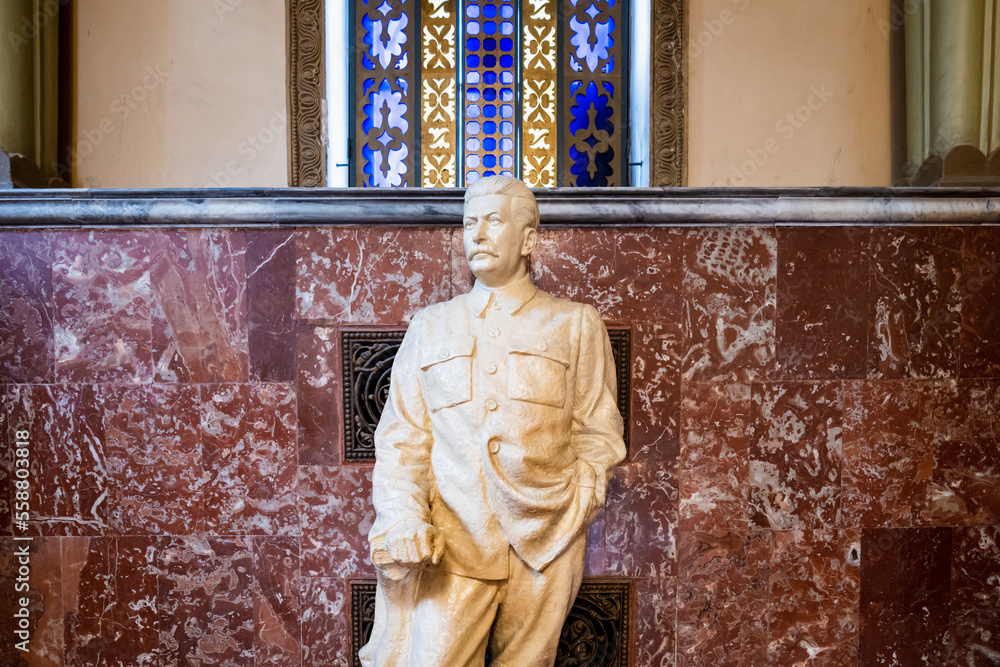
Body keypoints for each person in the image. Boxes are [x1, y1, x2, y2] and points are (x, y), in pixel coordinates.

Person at [360, 175, 625, 667]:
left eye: (492, 222)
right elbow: (402, 440)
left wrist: (584, 493)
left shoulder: (575, 324)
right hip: (453, 542)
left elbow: (598, 431)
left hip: (549, 538)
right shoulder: (430, 326)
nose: (476, 235)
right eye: (468, 224)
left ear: (527, 239)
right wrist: (402, 516)